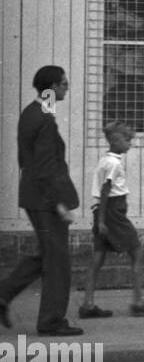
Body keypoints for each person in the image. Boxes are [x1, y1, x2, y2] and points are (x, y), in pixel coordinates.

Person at [0, 66, 83, 335]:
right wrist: (59, 202)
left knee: (46, 254)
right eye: (63, 83)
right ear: (51, 88)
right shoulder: (45, 119)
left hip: (33, 194)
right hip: (47, 199)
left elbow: (26, 159)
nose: (67, 87)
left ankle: (3, 295)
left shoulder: (30, 113)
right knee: (57, 260)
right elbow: (47, 165)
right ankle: (51, 321)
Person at [82, 121, 144, 318]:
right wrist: (102, 221)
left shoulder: (105, 160)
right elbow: (105, 191)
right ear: (115, 141)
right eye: (127, 140)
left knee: (98, 259)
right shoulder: (114, 163)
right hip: (113, 213)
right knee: (136, 251)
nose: (130, 144)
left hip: (104, 212)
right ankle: (138, 301)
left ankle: (87, 304)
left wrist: (99, 219)